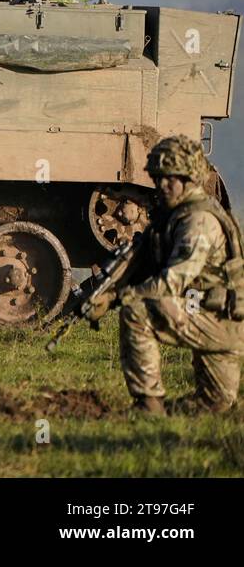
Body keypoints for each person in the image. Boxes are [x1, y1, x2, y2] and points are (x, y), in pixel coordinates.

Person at [98, 135, 244, 414]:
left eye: (170, 179)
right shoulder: (174, 215)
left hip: (221, 321)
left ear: (189, 178)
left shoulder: (198, 221)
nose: (161, 186)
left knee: (136, 310)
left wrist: (119, 297)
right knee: (213, 406)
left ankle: (148, 405)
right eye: (158, 179)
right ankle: (156, 413)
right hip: (209, 316)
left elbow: (172, 281)